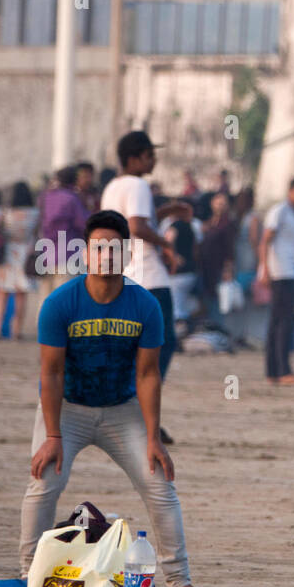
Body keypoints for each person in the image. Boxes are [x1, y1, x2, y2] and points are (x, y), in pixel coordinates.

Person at [19, 209, 217, 587]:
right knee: (44, 482)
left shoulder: (144, 306)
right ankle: (28, 576)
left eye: (115, 247)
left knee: (159, 482)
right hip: (68, 410)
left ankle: (179, 582)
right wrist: (53, 436)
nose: (106, 254)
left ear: (127, 254)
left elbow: (147, 375)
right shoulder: (60, 304)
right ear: (86, 255)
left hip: (121, 409)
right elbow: (51, 374)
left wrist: (153, 435)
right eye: (98, 248)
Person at [100, 131, 192, 411]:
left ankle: (130, 407)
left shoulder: (113, 188)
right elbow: (137, 226)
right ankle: (142, 409)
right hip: (148, 275)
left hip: (124, 274)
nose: (154, 160)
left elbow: (132, 221)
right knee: (162, 342)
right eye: (149, 155)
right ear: (134, 158)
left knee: (133, 346)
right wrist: (167, 246)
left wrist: (165, 212)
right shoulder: (138, 186)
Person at [258, 177, 294, 384]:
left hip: (288, 271)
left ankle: (274, 372)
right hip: (280, 272)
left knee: (279, 322)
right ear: (291, 191)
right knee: (283, 323)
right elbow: (265, 241)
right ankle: (282, 371)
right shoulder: (279, 211)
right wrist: (265, 269)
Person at [0, 181, 39, 341]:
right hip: (25, 254)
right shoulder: (35, 214)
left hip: (6, 255)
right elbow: (37, 233)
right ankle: (16, 330)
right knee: (21, 295)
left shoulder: (5, 212)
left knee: (1, 294)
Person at [38, 166, 88, 290]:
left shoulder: (45, 197)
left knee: (47, 301)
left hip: (45, 254)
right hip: (67, 255)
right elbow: (83, 223)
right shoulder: (71, 198)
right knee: (65, 300)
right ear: (74, 180)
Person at [197, 192, 237, 323]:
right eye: (218, 202)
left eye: (223, 203)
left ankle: (217, 329)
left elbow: (230, 248)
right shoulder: (209, 222)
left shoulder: (228, 224)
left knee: (216, 302)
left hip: (218, 268)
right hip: (205, 267)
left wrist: (228, 269)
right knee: (207, 300)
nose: (220, 205)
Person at [232, 187, 260, 294]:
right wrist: (259, 259)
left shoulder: (235, 215)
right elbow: (254, 240)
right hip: (249, 255)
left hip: (237, 253)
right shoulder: (253, 217)